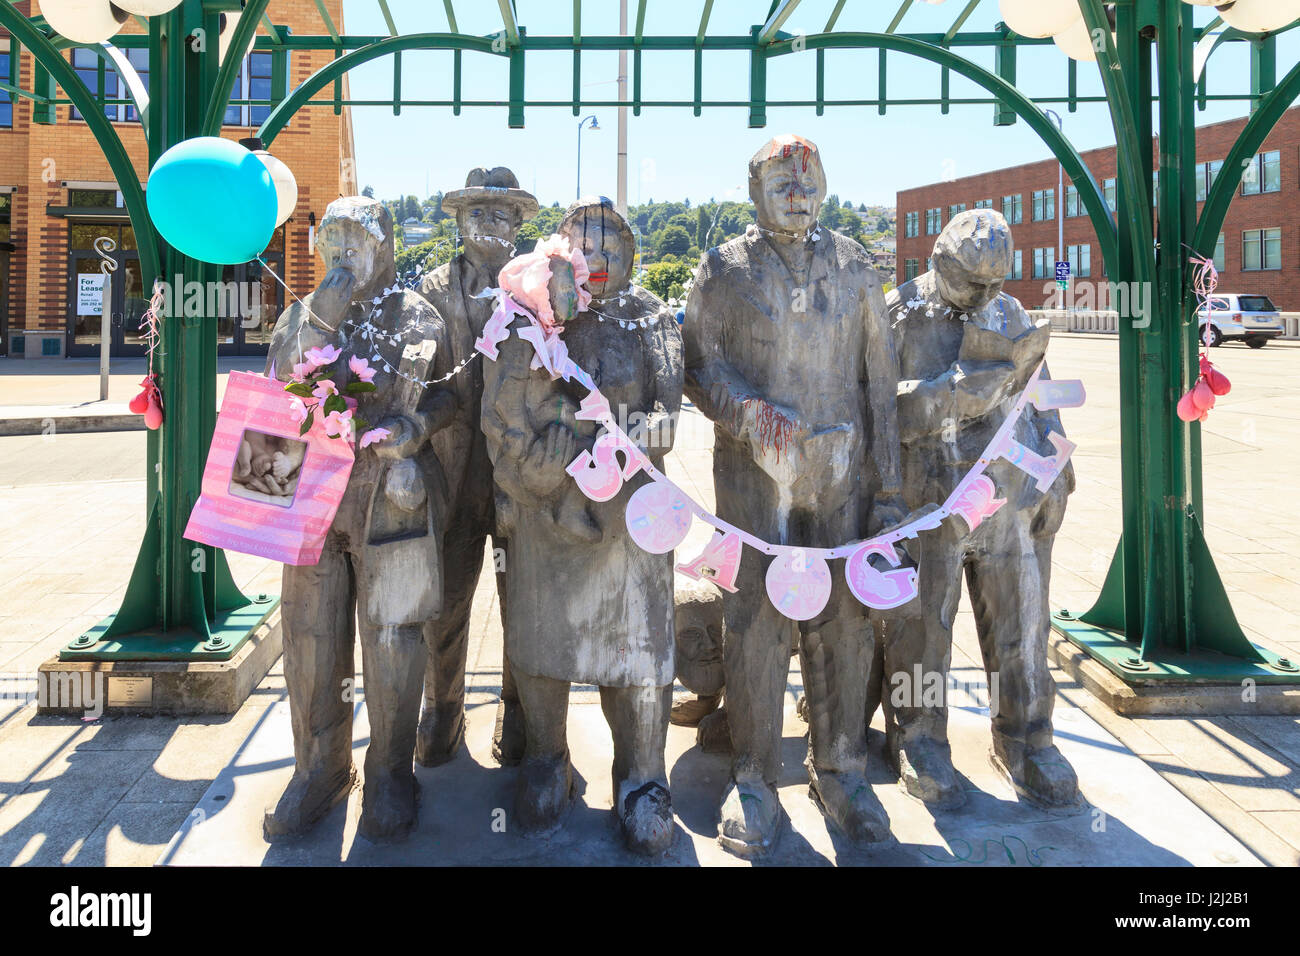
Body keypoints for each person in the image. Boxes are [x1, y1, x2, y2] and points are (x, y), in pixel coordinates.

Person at [683, 135, 906, 856]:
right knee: (756, 620)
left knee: (842, 620)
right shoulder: (721, 269)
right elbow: (698, 363)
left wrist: (892, 487)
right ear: (754, 189)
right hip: (755, 478)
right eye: (782, 179)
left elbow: (882, 382)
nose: (798, 192)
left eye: (809, 181)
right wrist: (747, 413)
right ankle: (754, 777)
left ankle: (840, 768)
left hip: (842, 475)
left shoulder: (855, 266)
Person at [480, 196, 684, 855]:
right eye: (582, 245)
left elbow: (668, 417)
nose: (595, 258)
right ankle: (546, 759)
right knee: (545, 643)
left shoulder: (649, 315)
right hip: (548, 507)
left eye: (611, 246)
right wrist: (548, 462)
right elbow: (503, 412)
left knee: (637, 651)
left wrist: (618, 438)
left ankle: (642, 775)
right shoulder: (530, 313)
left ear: (632, 254)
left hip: (629, 514)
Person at [262, 197, 457, 843]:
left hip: (390, 494)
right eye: (333, 237)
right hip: (311, 499)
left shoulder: (419, 317)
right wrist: (324, 313)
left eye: (359, 236)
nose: (344, 250)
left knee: (393, 638)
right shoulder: (302, 314)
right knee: (310, 637)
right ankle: (318, 768)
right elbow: (279, 383)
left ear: (387, 244)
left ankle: (390, 773)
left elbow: (451, 392)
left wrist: (417, 424)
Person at [871, 208, 1079, 809]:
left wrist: (1057, 471)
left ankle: (1028, 739)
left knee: (1023, 622)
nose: (985, 296)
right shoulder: (899, 314)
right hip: (928, 503)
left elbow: (1042, 395)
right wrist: (950, 396)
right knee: (923, 629)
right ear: (938, 261)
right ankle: (919, 738)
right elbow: (876, 413)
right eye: (971, 283)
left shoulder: (1008, 312)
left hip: (1005, 501)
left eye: (996, 283)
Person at [415, 167, 538, 768]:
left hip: (519, 469)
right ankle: (443, 707)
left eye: (501, 215)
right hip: (453, 464)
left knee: (524, 595)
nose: (489, 225)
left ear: (518, 226)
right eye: (477, 214)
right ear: (458, 223)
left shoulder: (539, 284)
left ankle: (518, 709)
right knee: (446, 597)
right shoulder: (434, 285)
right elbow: (422, 372)